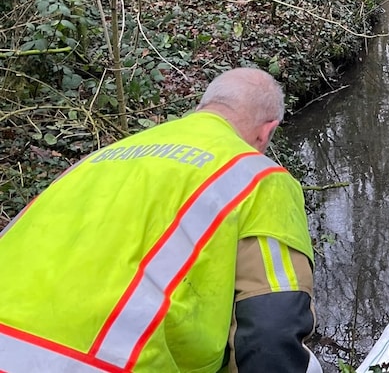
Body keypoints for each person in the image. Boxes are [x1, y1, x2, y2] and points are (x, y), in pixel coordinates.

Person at [0, 67, 321, 372]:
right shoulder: (258, 175)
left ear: (202, 107)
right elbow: (271, 330)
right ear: (268, 131)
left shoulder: (102, 158)